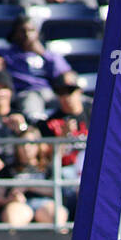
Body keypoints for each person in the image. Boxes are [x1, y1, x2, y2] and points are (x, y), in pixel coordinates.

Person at [0, 16, 73, 124]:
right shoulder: (7, 54)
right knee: (34, 115)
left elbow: (64, 72)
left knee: (72, 103)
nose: (27, 35)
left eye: (31, 30)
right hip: (26, 92)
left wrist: (43, 54)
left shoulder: (48, 54)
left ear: (38, 33)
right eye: (22, 31)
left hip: (48, 92)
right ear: (14, 34)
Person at [0, 124, 68, 226]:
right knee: (12, 216)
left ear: (38, 146)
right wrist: (10, 199)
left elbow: (59, 192)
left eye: (31, 144)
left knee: (57, 215)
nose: (26, 148)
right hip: (19, 204)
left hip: (44, 202)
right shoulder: (8, 169)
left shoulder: (47, 167)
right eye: (22, 144)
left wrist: (30, 186)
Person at [39, 73, 90, 217]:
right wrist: (63, 137)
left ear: (79, 91)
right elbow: (49, 162)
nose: (66, 97)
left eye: (70, 91)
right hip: (65, 173)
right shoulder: (49, 123)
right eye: (61, 93)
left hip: (90, 168)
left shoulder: (94, 114)